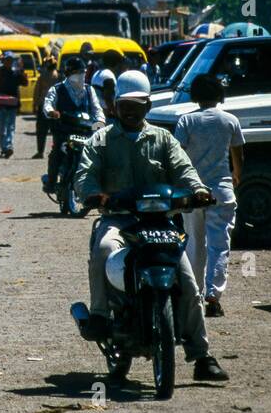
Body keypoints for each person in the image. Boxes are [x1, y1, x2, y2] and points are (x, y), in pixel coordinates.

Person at [75, 71, 229, 382]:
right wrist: (93, 193)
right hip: (118, 220)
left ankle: (201, 355)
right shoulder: (100, 140)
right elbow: (85, 175)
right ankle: (101, 315)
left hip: (160, 222)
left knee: (187, 280)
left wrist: (197, 191)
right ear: (114, 106)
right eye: (124, 105)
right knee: (104, 249)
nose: (130, 111)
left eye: (137, 105)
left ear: (147, 106)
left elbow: (184, 169)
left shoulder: (163, 139)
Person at [175, 74, 245, 318]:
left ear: (195, 95)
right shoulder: (230, 120)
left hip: (193, 191)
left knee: (194, 244)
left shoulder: (186, 121)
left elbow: (178, 155)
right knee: (219, 245)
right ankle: (213, 297)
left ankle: (193, 294)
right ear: (219, 95)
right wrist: (236, 176)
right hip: (221, 189)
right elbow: (238, 155)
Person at [41, 56, 105, 199]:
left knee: (102, 151)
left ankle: (102, 185)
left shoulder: (89, 90)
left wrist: (99, 123)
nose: (80, 75)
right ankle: (51, 182)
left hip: (86, 131)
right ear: (68, 73)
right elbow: (48, 104)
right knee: (56, 153)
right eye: (76, 71)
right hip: (64, 131)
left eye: (82, 71)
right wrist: (51, 112)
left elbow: (97, 110)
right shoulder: (57, 89)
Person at [0, 51, 28, 159]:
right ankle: (4, 149)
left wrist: (21, 69)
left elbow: (25, 83)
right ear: (3, 60)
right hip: (0, 105)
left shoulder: (16, 72)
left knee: (10, 127)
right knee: (2, 128)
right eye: (7, 60)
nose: (9, 62)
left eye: (10, 60)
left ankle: (8, 146)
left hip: (12, 105)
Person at [32, 55, 58, 159]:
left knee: (41, 131)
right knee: (56, 131)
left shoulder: (42, 76)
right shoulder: (59, 77)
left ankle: (40, 151)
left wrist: (35, 104)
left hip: (43, 106)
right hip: (55, 107)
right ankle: (56, 150)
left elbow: (37, 91)